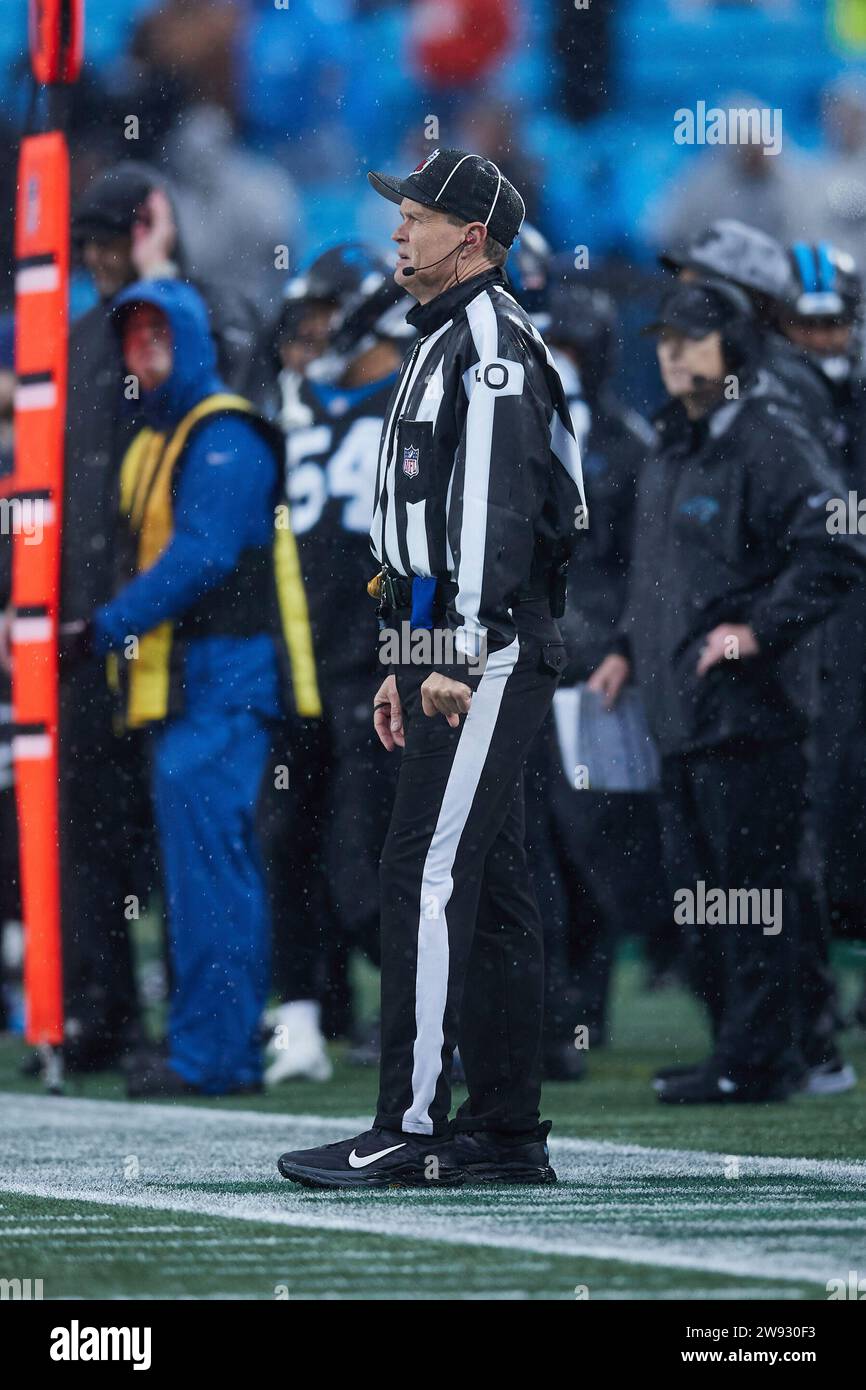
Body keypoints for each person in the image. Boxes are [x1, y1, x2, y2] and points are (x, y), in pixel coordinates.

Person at [277, 147, 585, 1188]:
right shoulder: (443, 337)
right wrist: (399, 650)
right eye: (399, 215)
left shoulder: (488, 342)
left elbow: (489, 512)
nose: (397, 232)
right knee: (490, 884)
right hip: (449, 637)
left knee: (421, 869)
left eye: (415, 217)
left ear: (471, 235)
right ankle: (505, 1130)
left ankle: (408, 1123)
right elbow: (420, 524)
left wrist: (453, 643)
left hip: (482, 641)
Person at [589, 280, 866, 1104]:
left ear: (735, 350)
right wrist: (629, 651)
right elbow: (666, 576)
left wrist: (759, 631)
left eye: (694, 337)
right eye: (666, 339)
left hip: (753, 717)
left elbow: (840, 537)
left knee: (755, 900)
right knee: (704, 897)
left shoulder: (768, 436)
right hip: (683, 715)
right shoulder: (676, 443)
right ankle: (740, 1049)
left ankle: (763, 1059)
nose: (673, 352)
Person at [77, 279, 320, 1097]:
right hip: (189, 691)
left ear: (191, 341)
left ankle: (215, 1056)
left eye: (158, 337)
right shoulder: (173, 434)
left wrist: (100, 627)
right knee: (201, 876)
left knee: (212, 876)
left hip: (220, 687)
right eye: (132, 340)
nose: (142, 355)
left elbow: (205, 556)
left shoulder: (222, 433)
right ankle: (206, 1044)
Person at [263, 252, 413, 1081]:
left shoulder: (411, 403)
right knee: (288, 846)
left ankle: (431, 1017)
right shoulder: (293, 408)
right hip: (298, 664)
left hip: (376, 668)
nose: (314, 336)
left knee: (366, 871)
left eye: (328, 317)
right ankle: (302, 1024)